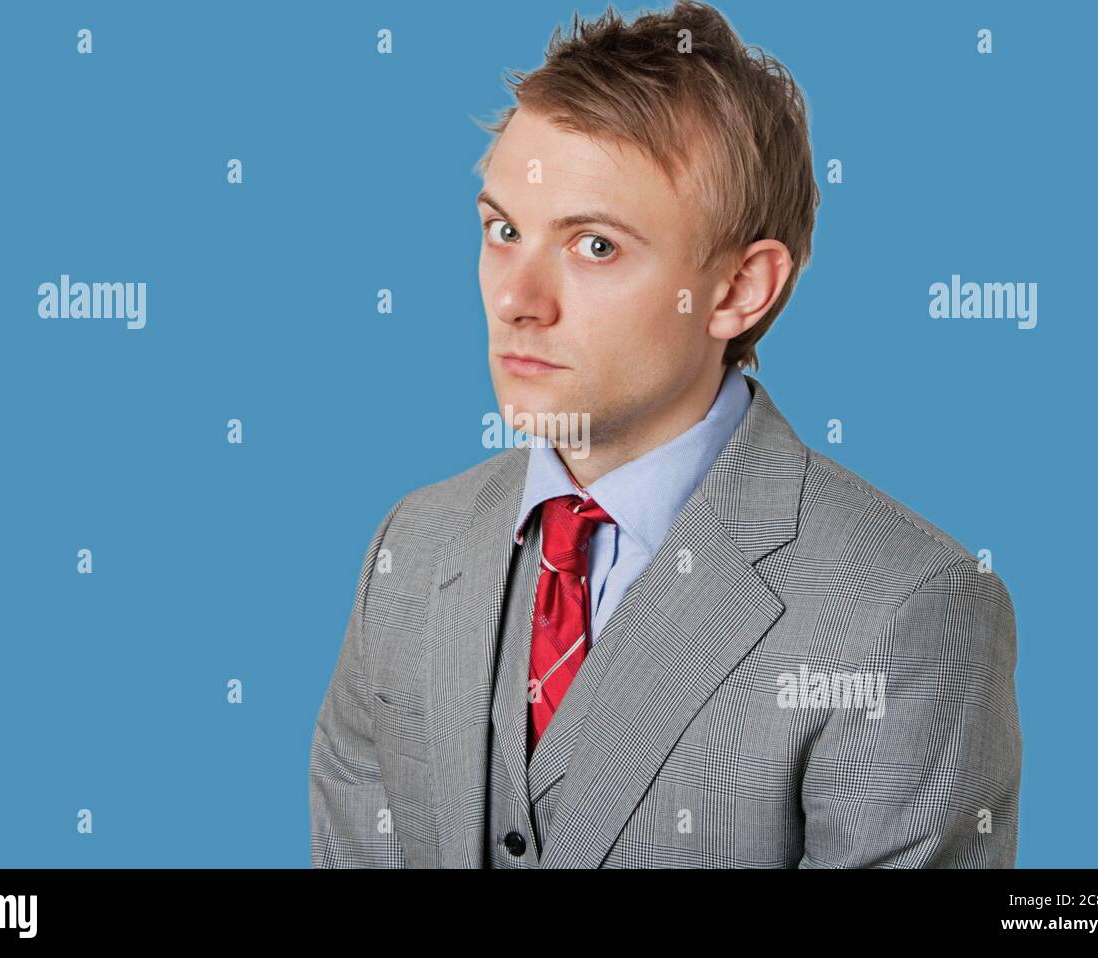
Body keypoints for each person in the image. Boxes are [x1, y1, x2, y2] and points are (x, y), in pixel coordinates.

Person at [310, 0, 1021, 868]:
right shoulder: (410, 547)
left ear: (739, 291)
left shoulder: (907, 610)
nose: (515, 299)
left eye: (595, 246)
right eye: (503, 230)